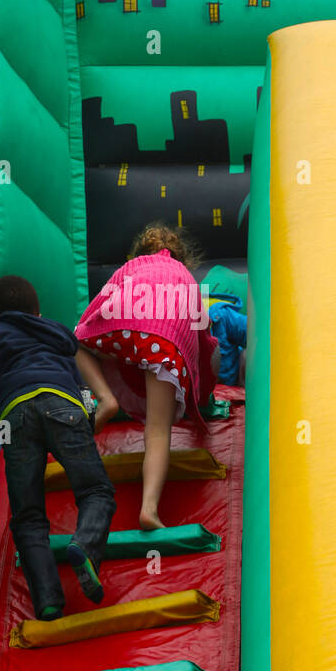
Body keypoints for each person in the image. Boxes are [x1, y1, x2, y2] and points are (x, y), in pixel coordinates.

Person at [0, 275, 115, 622]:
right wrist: (86, 421)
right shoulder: (59, 334)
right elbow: (78, 383)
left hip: (12, 419)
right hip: (65, 407)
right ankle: (84, 545)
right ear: (38, 314)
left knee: (28, 516)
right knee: (96, 490)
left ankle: (48, 601)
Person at [74, 224, 220, 531]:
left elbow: (93, 315)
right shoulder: (187, 281)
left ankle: (106, 399)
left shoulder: (131, 267)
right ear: (181, 257)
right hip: (164, 344)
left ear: (141, 251)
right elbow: (206, 346)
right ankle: (149, 509)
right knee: (157, 432)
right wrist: (202, 399)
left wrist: (92, 336)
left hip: (127, 328)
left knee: (75, 342)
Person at [206, 292, 247, 387]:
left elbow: (255, 332)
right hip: (204, 384)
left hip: (234, 379)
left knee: (248, 354)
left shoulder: (222, 316)